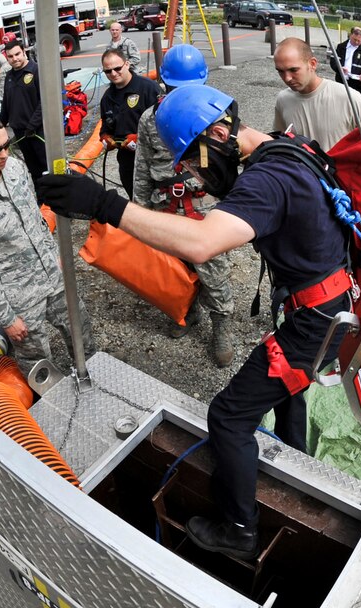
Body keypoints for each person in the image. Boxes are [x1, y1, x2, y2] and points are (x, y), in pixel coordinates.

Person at [38, 86, 354, 559]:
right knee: (289, 389)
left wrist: (105, 205)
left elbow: (202, 243)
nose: (194, 176)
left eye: (191, 162)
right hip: (329, 304)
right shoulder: (287, 146)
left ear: (219, 136)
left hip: (315, 322)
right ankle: (297, 464)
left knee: (228, 416)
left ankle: (240, 531)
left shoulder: (267, 181)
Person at [0, 114, 95, 373]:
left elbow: (35, 219)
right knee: (38, 363)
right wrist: (6, 318)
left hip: (51, 274)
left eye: (7, 145)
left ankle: (94, 373)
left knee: (80, 329)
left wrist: (53, 254)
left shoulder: (15, 168)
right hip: (19, 297)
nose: (4, 154)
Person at [133, 44, 235, 366]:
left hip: (203, 204)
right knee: (175, 268)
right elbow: (142, 164)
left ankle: (222, 324)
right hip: (165, 203)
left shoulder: (217, 115)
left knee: (214, 270)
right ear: (164, 83)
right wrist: (139, 211)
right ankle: (187, 311)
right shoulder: (150, 119)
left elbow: (232, 164)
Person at [273, 37, 361, 152]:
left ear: (312, 64)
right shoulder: (283, 99)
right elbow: (280, 142)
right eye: (280, 71)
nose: (287, 78)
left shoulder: (349, 98)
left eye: (293, 70)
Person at [99, 48, 160, 199]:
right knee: (136, 201)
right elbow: (106, 127)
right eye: (108, 71)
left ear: (127, 64)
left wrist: (140, 139)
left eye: (117, 68)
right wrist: (106, 138)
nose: (113, 74)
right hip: (127, 163)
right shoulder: (107, 98)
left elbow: (166, 126)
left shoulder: (148, 89)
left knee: (159, 203)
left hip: (154, 161)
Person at [0, 41, 47, 181]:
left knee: (46, 165)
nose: (15, 59)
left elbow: (44, 101)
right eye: (10, 56)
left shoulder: (36, 71)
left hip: (37, 130)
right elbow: (6, 103)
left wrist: (33, 125)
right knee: (33, 167)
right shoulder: (9, 76)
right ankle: (39, 192)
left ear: (24, 52)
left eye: (17, 54)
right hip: (20, 132)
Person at [328, 27, 361, 96]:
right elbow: (333, 61)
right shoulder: (341, 47)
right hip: (341, 83)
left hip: (358, 88)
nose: (356, 42)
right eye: (354, 39)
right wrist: (340, 68)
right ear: (350, 35)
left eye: (359, 41)